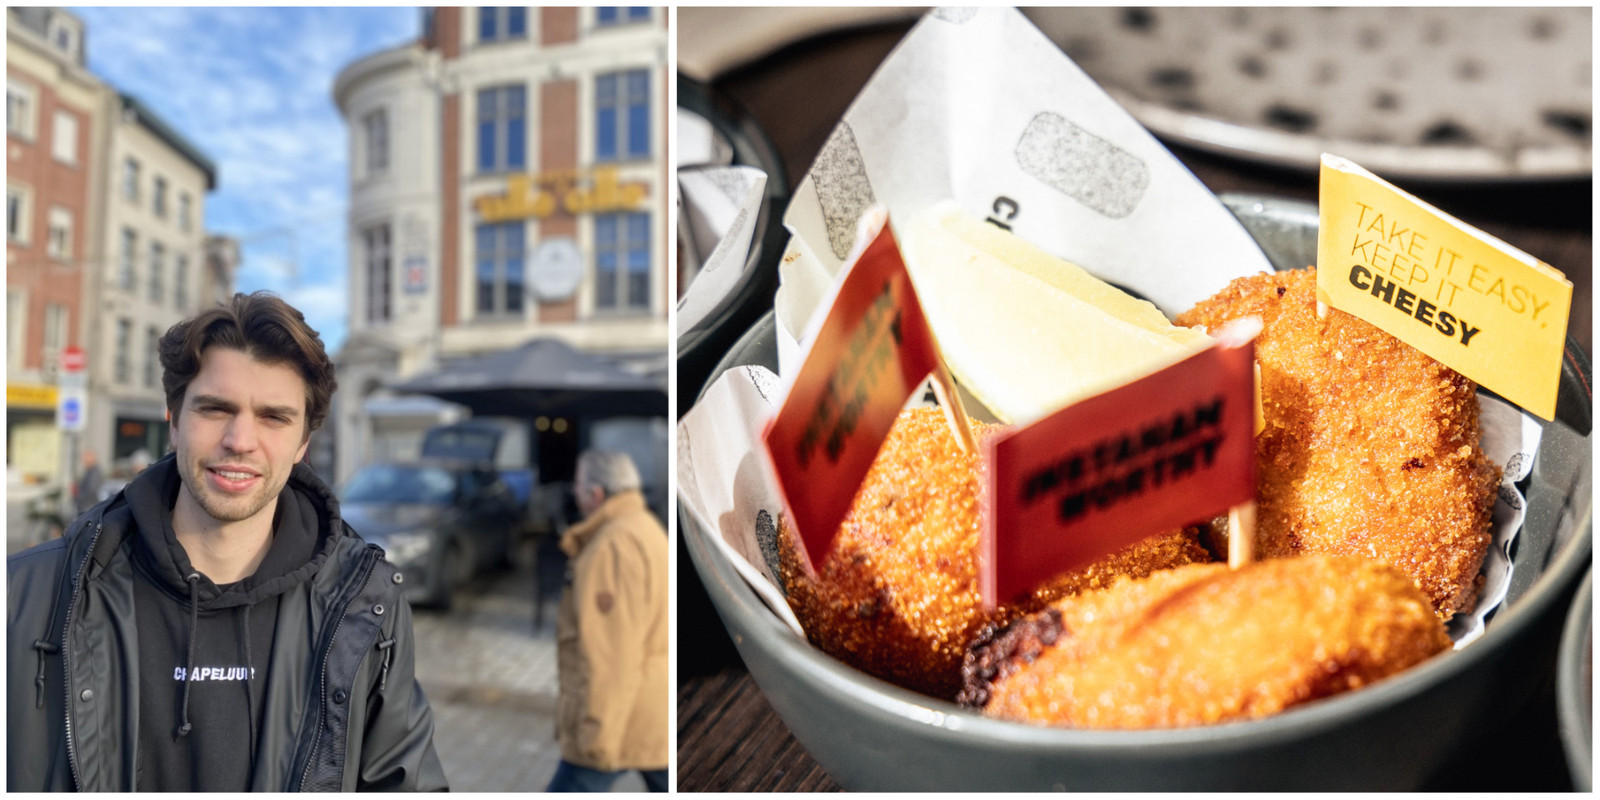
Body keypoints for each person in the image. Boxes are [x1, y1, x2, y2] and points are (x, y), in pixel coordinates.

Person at [7, 292, 447, 791]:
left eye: (274, 417)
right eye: (216, 409)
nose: (240, 439)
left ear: (303, 442)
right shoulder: (24, 597)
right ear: (174, 420)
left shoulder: (366, 607)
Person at [548, 450, 668, 792]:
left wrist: (596, 733)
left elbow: (611, 654)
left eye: (577, 483)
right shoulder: (644, 526)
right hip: (647, 713)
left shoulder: (611, 545)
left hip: (619, 723)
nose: (573, 491)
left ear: (596, 494)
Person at [73, 449, 104, 516]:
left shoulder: (94, 473)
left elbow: (91, 490)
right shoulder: (89, 472)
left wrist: (78, 498)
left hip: (88, 507)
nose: (83, 461)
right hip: (87, 507)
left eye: (86, 458)